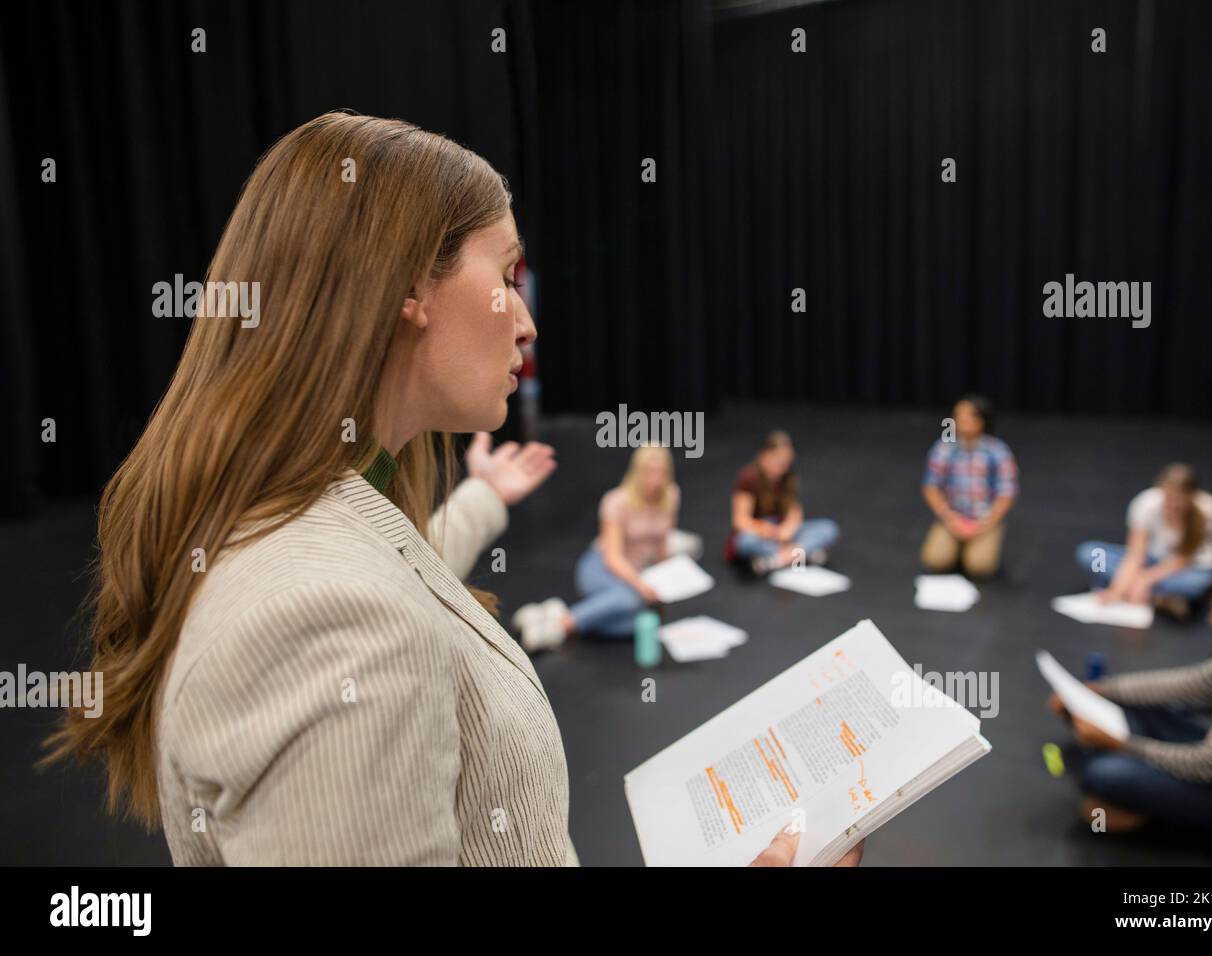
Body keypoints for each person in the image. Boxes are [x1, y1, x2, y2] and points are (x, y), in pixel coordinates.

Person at [41, 111, 849, 868]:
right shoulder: (328, 622)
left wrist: (481, 500)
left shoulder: (317, 516)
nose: (527, 323)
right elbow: (366, 599)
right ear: (407, 288)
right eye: (507, 274)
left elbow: (395, 566)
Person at [1050, 564, 1212, 861]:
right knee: (1125, 707)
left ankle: (1151, 811)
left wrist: (1122, 746)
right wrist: (1098, 689)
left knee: (1102, 773)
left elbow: (1210, 765)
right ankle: (1143, 796)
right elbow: (1183, 685)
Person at [513, 445, 688, 651]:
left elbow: (661, 543)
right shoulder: (616, 501)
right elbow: (612, 557)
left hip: (636, 572)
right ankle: (559, 626)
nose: (655, 479)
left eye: (661, 472)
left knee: (638, 623)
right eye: (649, 472)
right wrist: (641, 586)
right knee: (628, 600)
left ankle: (555, 613)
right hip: (602, 567)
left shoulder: (671, 496)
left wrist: (666, 580)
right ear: (637, 472)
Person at [1075, 462, 1212, 620]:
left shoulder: (1208, 509)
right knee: (1090, 553)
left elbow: (1182, 560)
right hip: (1151, 560)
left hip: (1190, 567)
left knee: (1200, 585)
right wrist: (1116, 592)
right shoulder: (1146, 503)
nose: (1173, 506)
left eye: (1179, 503)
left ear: (1192, 497)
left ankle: (1147, 593)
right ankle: (1159, 599)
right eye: (1169, 500)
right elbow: (1135, 554)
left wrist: (1144, 580)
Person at [920, 394, 1018, 578]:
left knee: (980, 568)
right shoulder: (944, 448)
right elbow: (931, 486)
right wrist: (949, 517)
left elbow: (1007, 492)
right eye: (959, 416)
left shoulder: (997, 451)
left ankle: (976, 546)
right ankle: (955, 547)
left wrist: (985, 522)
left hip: (984, 519)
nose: (962, 421)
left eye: (969, 416)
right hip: (953, 517)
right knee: (935, 561)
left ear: (982, 421)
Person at [729, 430, 840, 574]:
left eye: (786, 461)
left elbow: (794, 512)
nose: (782, 465)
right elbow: (740, 520)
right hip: (762, 532)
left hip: (781, 531)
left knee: (828, 528)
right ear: (764, 456)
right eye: (778, 459)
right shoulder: (749, 477)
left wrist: (788, 529)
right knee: (745, 542)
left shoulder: (788, 477)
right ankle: (800, 555)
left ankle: (777, 560)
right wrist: (768, 531)